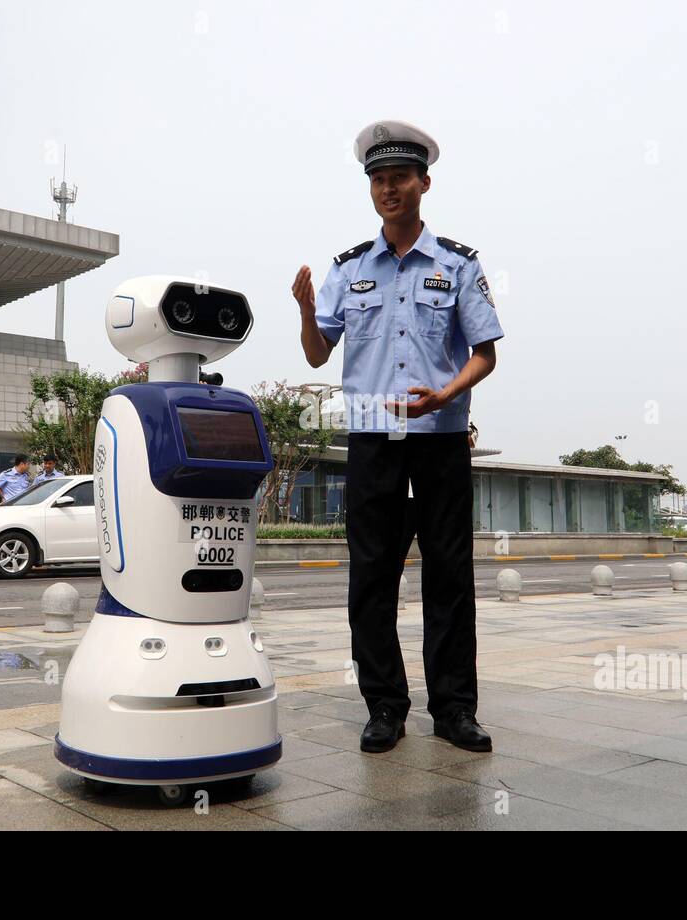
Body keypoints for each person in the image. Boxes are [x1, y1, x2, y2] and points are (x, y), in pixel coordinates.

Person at [292, 119, 503, 754]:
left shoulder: (458, 265)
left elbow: (485, 353)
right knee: (372, 578)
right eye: (378, 180)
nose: (389, 189)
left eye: (399, 178)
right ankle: (384, 707)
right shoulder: (348, 269)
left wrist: (448, 392)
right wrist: (305, 309)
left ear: (423, 184)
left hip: (440, 438)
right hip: (373, 442)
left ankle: (454, 710)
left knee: (449, 577)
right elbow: (315, 357)